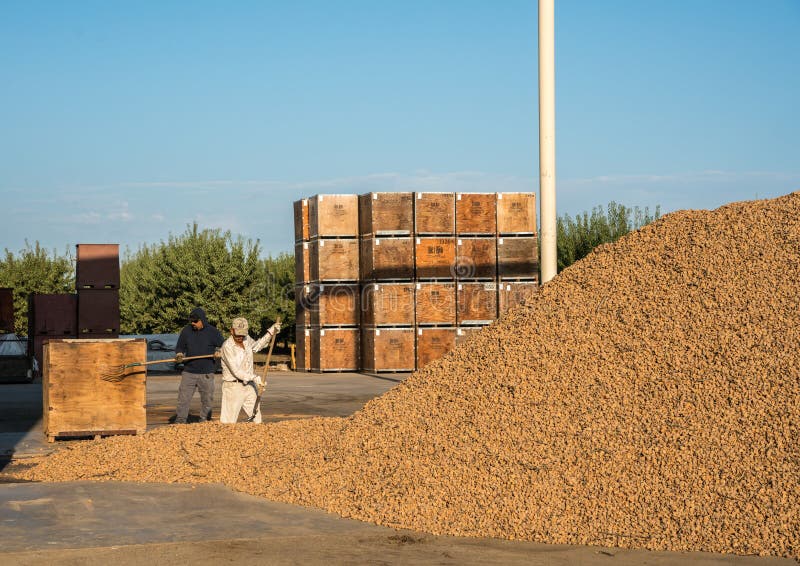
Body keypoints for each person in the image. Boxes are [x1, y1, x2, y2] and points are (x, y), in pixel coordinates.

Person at [219, 317, 281, 424]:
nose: (240, 337)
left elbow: (257, 346)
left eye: (242, 334)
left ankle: (257, 439)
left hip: (249, 386)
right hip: (233, 387)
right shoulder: (227, 347)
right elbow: (236, 371)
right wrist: (255, 378)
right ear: (231, 331)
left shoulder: (246, 339)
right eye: (237, 334)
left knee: (257, 419)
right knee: (228, 423)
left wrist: (271, 332)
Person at [174, 307, 224, 424]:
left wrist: (219, 351)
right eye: (191, 321)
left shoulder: (213, 332)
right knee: (183, 398)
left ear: (202, 320)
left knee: (207, 399)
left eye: (195, 321)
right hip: (189, 372)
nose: (193, 323)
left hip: (206, 372)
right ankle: (180, 421)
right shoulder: (186, 331)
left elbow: (224, 346)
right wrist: (180, 353)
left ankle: (204, 421)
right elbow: (179, 347)